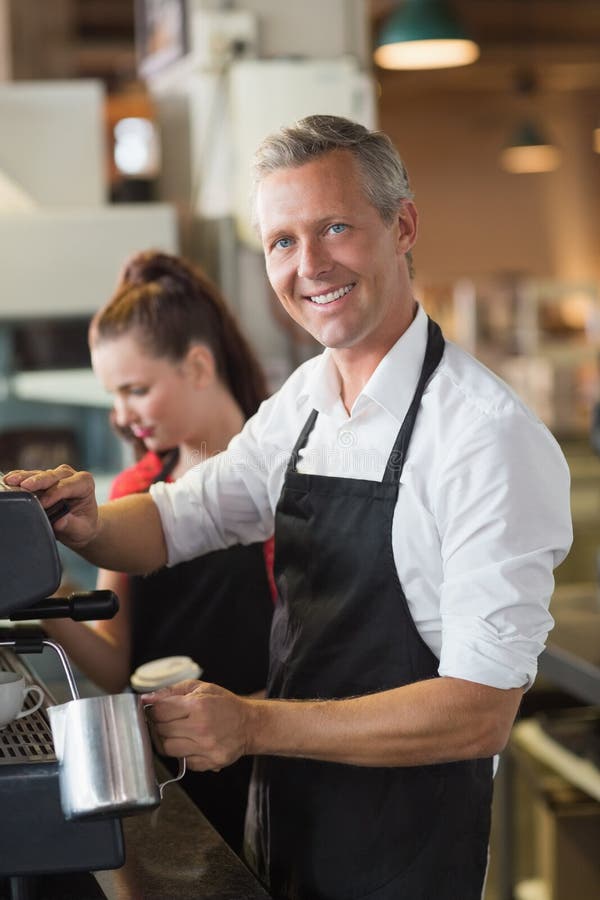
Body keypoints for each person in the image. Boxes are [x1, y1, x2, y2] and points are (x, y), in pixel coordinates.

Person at [7, 116, 572, 900]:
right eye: (282, 241)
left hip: (400, 851)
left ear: (401, 225)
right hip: (286, 821)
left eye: (335, 227)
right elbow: (178, 520)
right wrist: (87, 520)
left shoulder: (485, 438)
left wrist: (251, 723)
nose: (309, 265)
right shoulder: (306, 400)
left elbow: (479, 711)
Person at [42, 250, 275, 854]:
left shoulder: (281, 482)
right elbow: (115, 662)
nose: (121, 416)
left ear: (198, 364)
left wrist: (251, 721)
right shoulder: (133, 493)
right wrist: (40, 589)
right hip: (171, 782)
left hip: (274, 773)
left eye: (136, 390)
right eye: (113, 395)